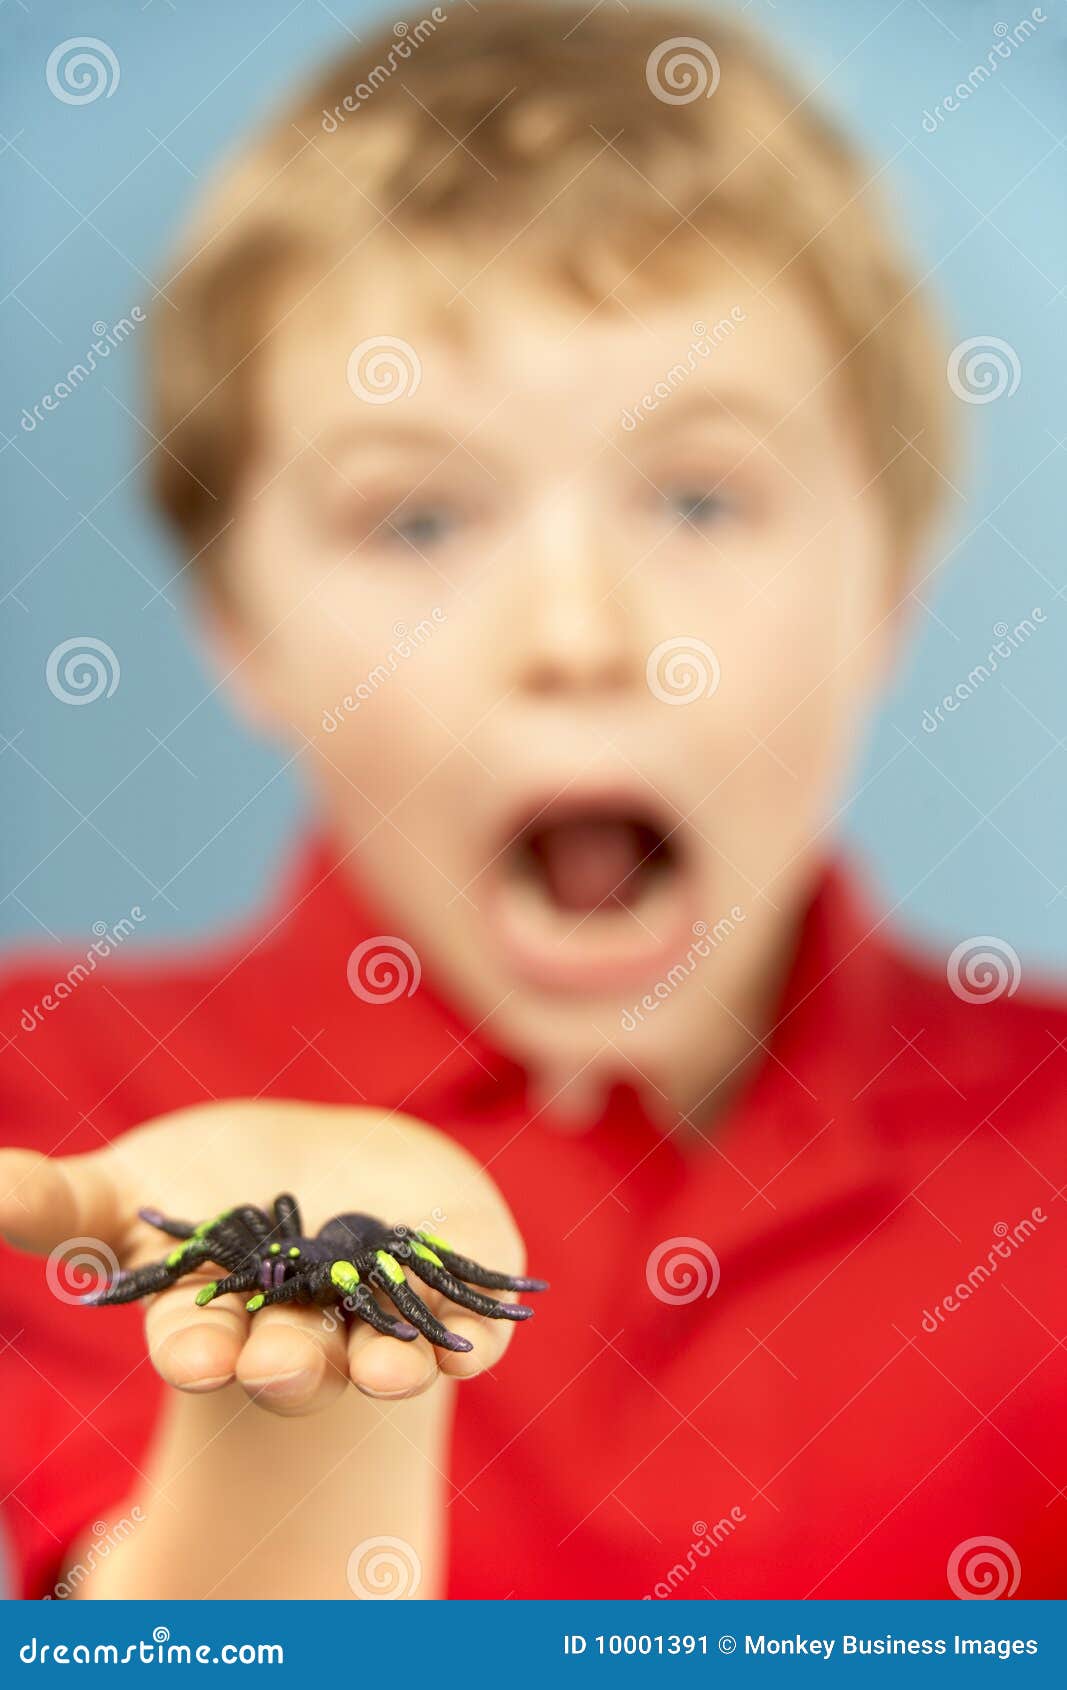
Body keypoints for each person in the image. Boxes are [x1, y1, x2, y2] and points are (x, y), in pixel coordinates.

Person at [2, 0, 1063, 1601]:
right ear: (242, 632)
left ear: (893, 586)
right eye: (418, 520)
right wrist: (311, 1408)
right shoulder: (61, 1096)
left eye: (700, 495)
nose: (576, 635)